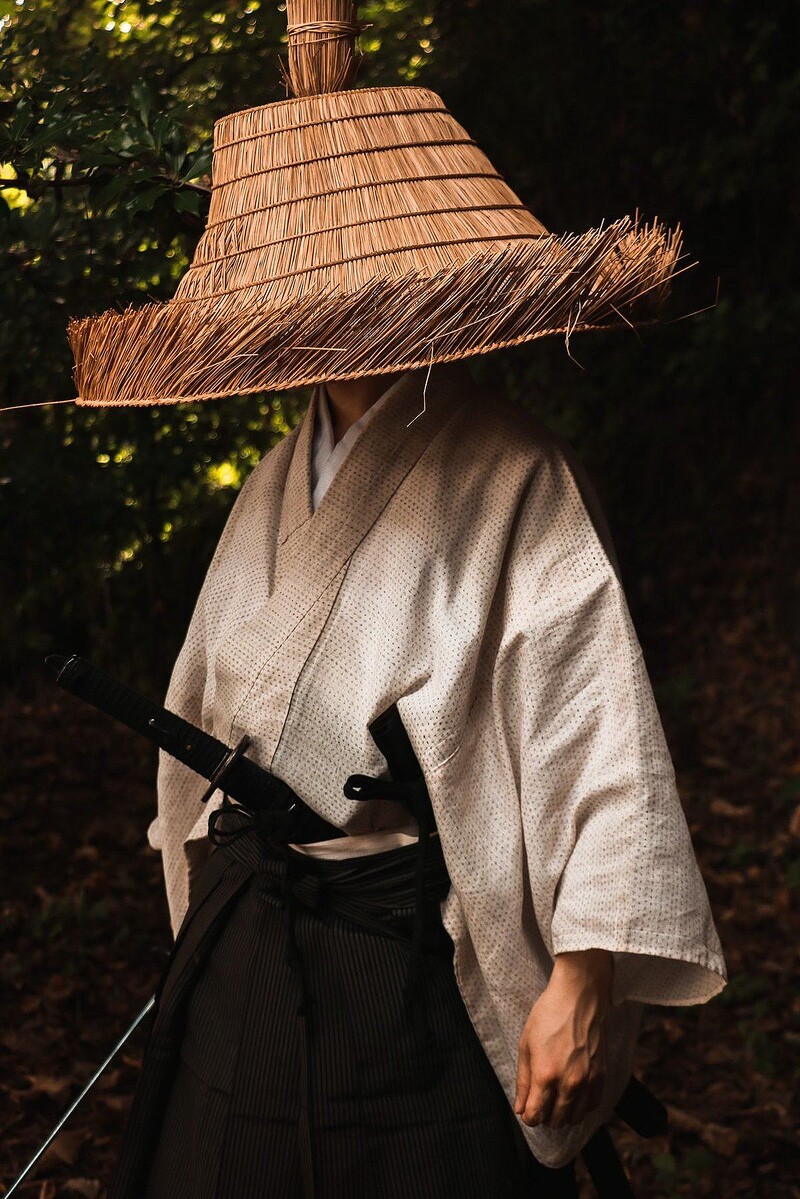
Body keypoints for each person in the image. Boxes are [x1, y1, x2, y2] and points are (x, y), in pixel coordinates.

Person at [66, 5, 727, 1196]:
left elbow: (596, 734)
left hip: (403, 955)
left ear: (424, 279)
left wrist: (578, 977)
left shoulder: (515, 471)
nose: (336, 318)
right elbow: (202, 726)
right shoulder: (276, 480)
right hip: (242, 941)